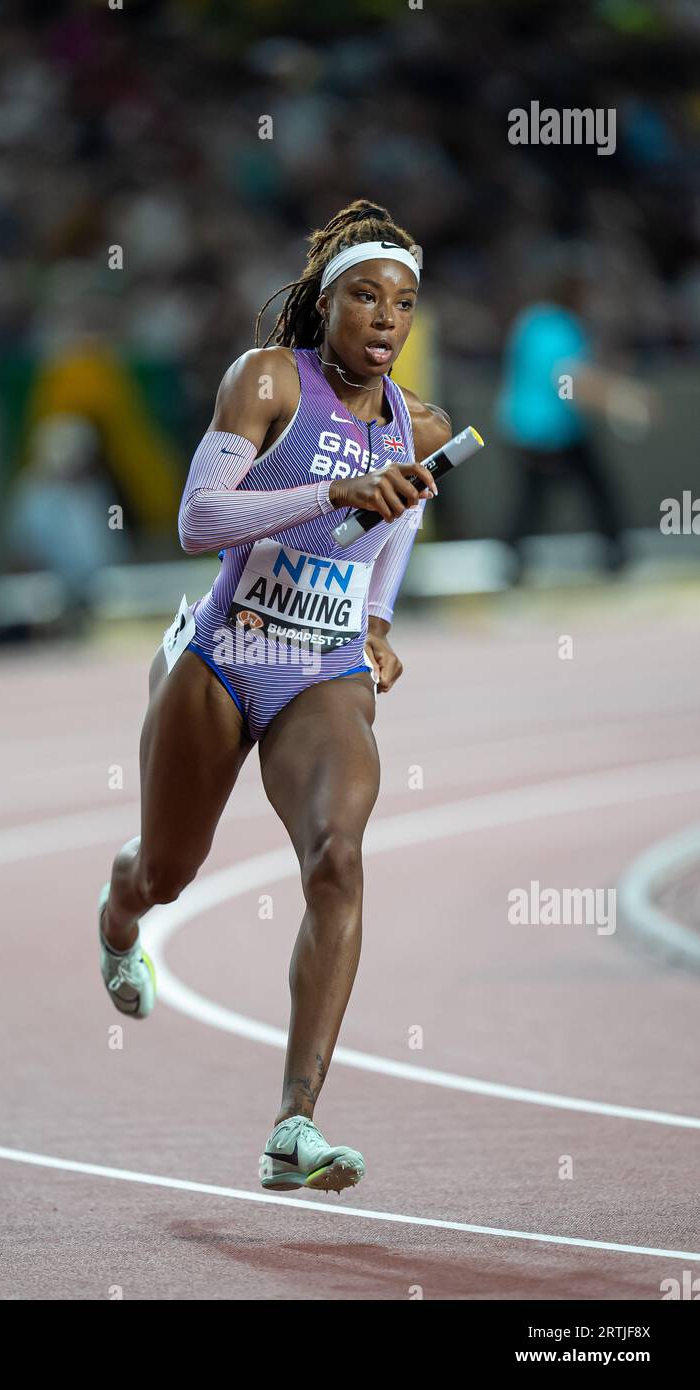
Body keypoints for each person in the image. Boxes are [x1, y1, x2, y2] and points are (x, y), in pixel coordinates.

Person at [96, 199, 451, 1193]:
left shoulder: (416, 425)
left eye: (403, 303)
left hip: (321, 667)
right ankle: (119, 913)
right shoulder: (265, 381)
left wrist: (376, 623)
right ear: (324, 302)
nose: (385, 317)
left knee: (337, 856)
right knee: (168, 869)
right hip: (221, 653)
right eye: (364, 296)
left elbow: (400, 528)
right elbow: (198, 518)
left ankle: (292, 1123)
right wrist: (325, 493)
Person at [496, 253, 647, 582]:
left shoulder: (531, 321)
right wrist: (620, 400)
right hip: (552, 430)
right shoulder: (560, 327)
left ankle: (511, 561)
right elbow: (572, 380)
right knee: (591, 491)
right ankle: (616, 555)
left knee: (535, 498)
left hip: (524, 427)